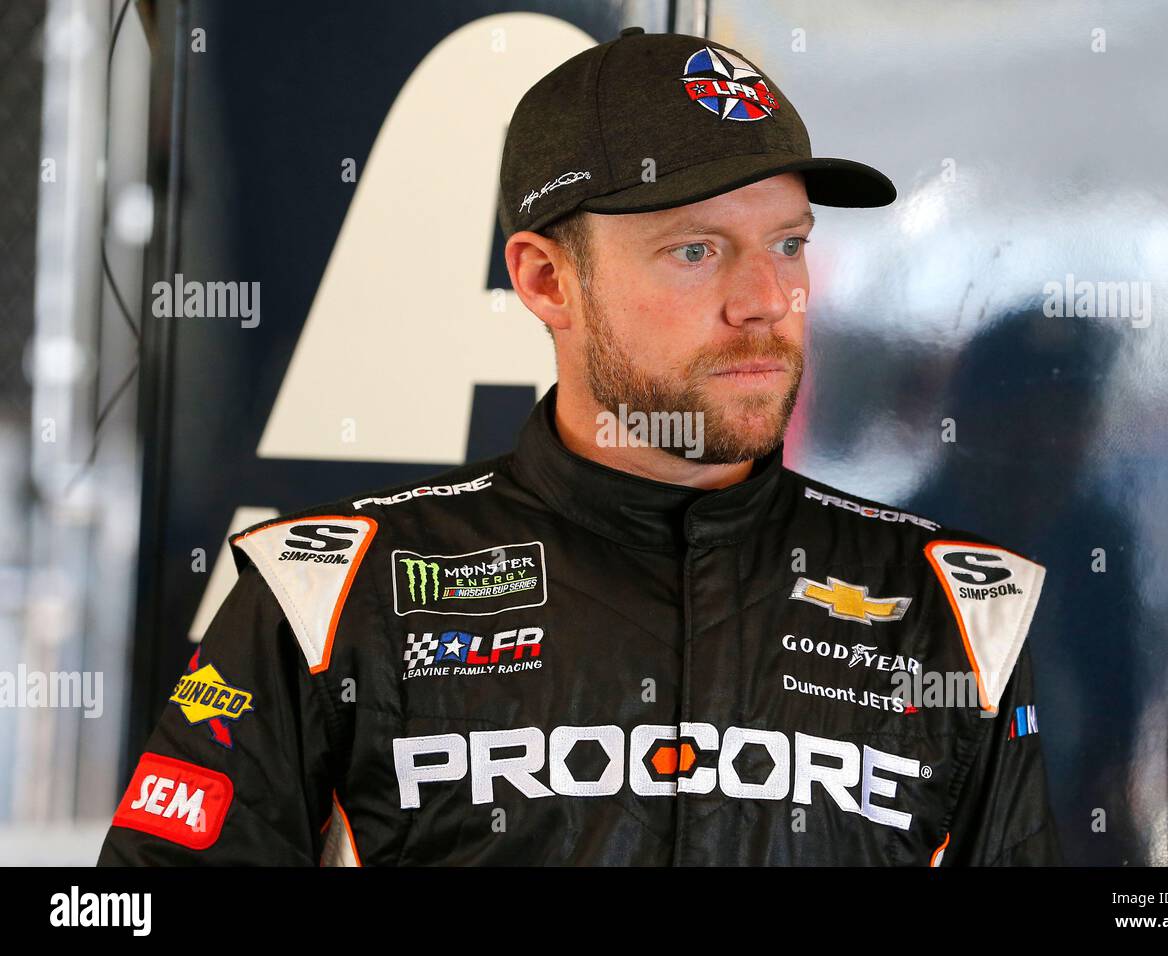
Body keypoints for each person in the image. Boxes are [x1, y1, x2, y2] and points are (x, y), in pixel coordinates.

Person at [99, 27, 1061, 866]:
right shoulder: (328, 598)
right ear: (547, 281)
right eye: (696, 250)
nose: (767, 300)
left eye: (787, 244)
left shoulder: (956, 614)